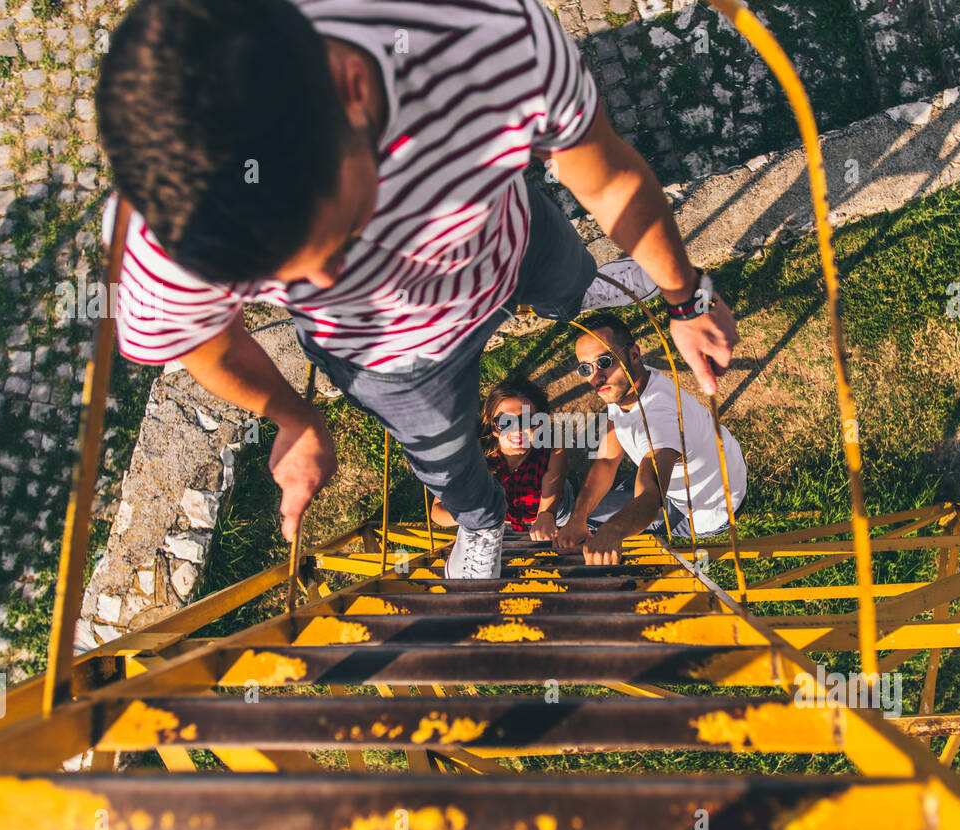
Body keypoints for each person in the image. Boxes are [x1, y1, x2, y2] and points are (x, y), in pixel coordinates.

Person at [95, 0, 739, 580]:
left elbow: (607, 179)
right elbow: (206, 342)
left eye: (341, 237)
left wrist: (687, 299)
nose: (329, 291)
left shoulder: (479, 41)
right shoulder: (166, 234)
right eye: (280, 283)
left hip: (513, 249)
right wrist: (294, 419)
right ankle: (481, 525)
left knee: (567, 283)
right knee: (450, 465)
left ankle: (576, 297)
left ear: (350, 85)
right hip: (395, 365)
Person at [554, 315, 747, 565]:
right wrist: (577, 519)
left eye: (604, 361)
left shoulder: (657, 423)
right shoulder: (631, 384)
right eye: (586, 368)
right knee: (590, 508)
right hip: (726, 470)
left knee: (587, 517)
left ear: (634, 354)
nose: (597, 377)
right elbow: (607, 460)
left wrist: (610, 530)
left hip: (706, 512)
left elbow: (651, 497)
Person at [430, 377, 574, 541]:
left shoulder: (553, 442)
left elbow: (554, 480)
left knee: (568, 518)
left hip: (554, 512)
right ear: (492, 426)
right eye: (505, 422)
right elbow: (437, 511)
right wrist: (473, 514)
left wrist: (547, 515)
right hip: (500, 521)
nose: (517, 430)